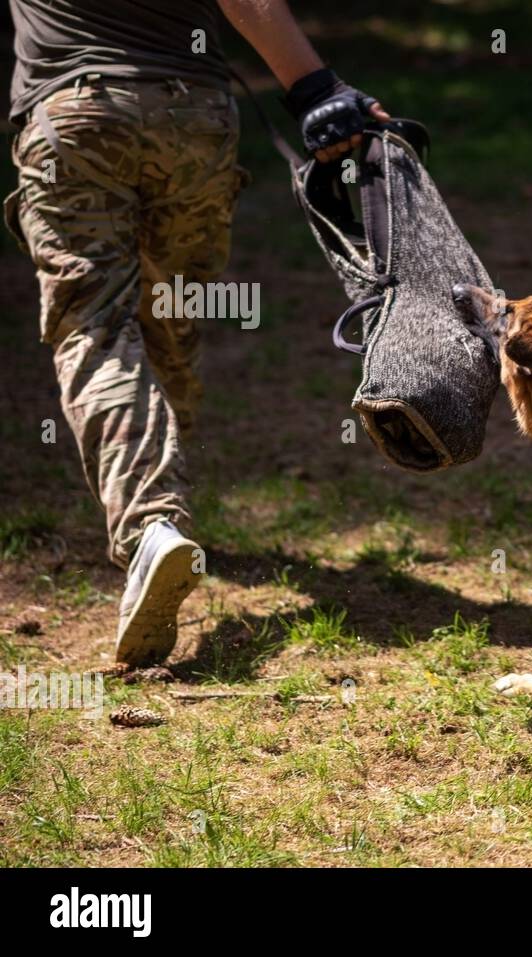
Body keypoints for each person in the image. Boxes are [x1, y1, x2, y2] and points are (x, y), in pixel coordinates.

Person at [5, 0, 390, 663]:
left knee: (94, 327)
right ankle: (167, 516)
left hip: (74, 115)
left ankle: (153, 522)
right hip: (194, 119)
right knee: (171, 319)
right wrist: (317, 88)